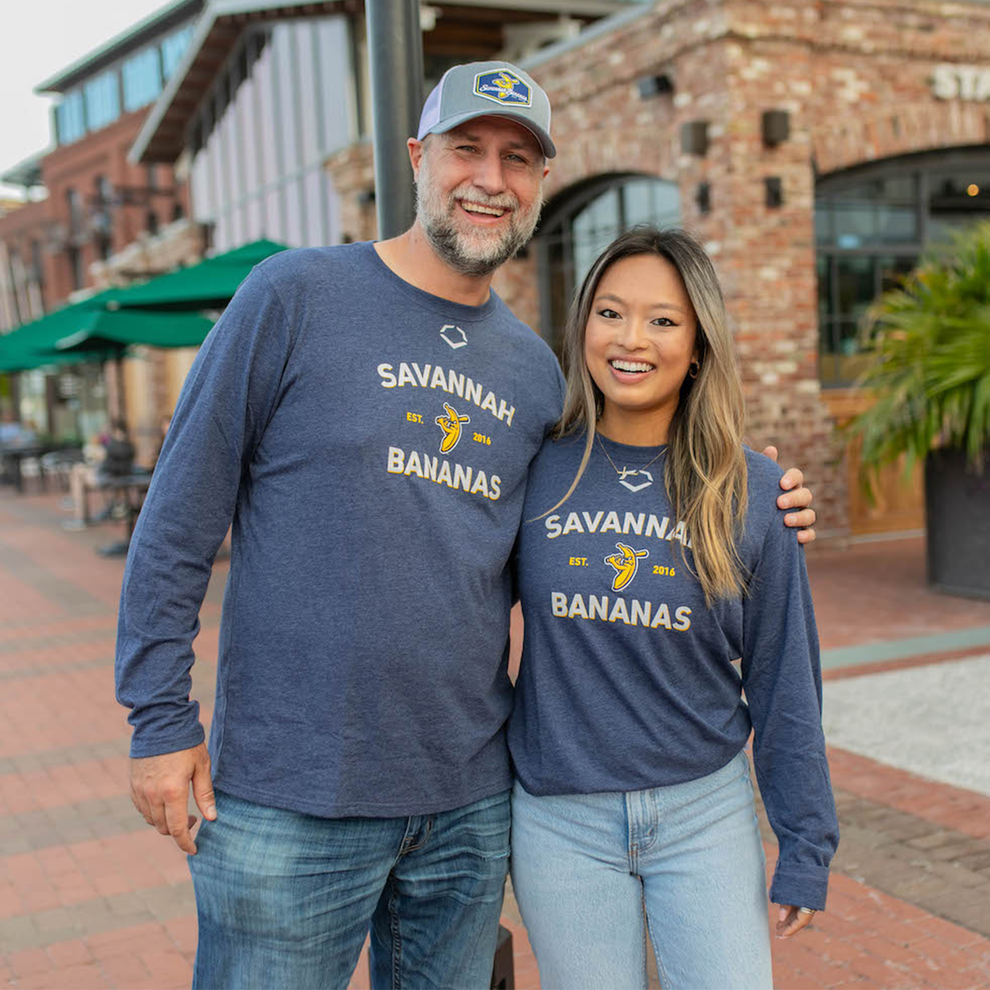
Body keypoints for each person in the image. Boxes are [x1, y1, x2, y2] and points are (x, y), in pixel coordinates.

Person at [115, 63, 818, 990]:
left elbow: (627, 462)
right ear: (418, 157)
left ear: (539, 186)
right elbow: (177, 518)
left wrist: (758, 488)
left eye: (517, 158)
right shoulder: (292, 297)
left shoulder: (536, 375)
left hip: (468, 808)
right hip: (293, 797)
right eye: (467, 150)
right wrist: (159, 720)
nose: (490, 178)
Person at [508, 227, 838, 990]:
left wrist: (806, 843)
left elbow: (786, 678)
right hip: (562, 820)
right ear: (582, 325)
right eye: (610, 313)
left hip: (704, 813)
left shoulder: (754, 493)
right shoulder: (533, 469)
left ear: (696, 348)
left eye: (663, 320)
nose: (632, 339)